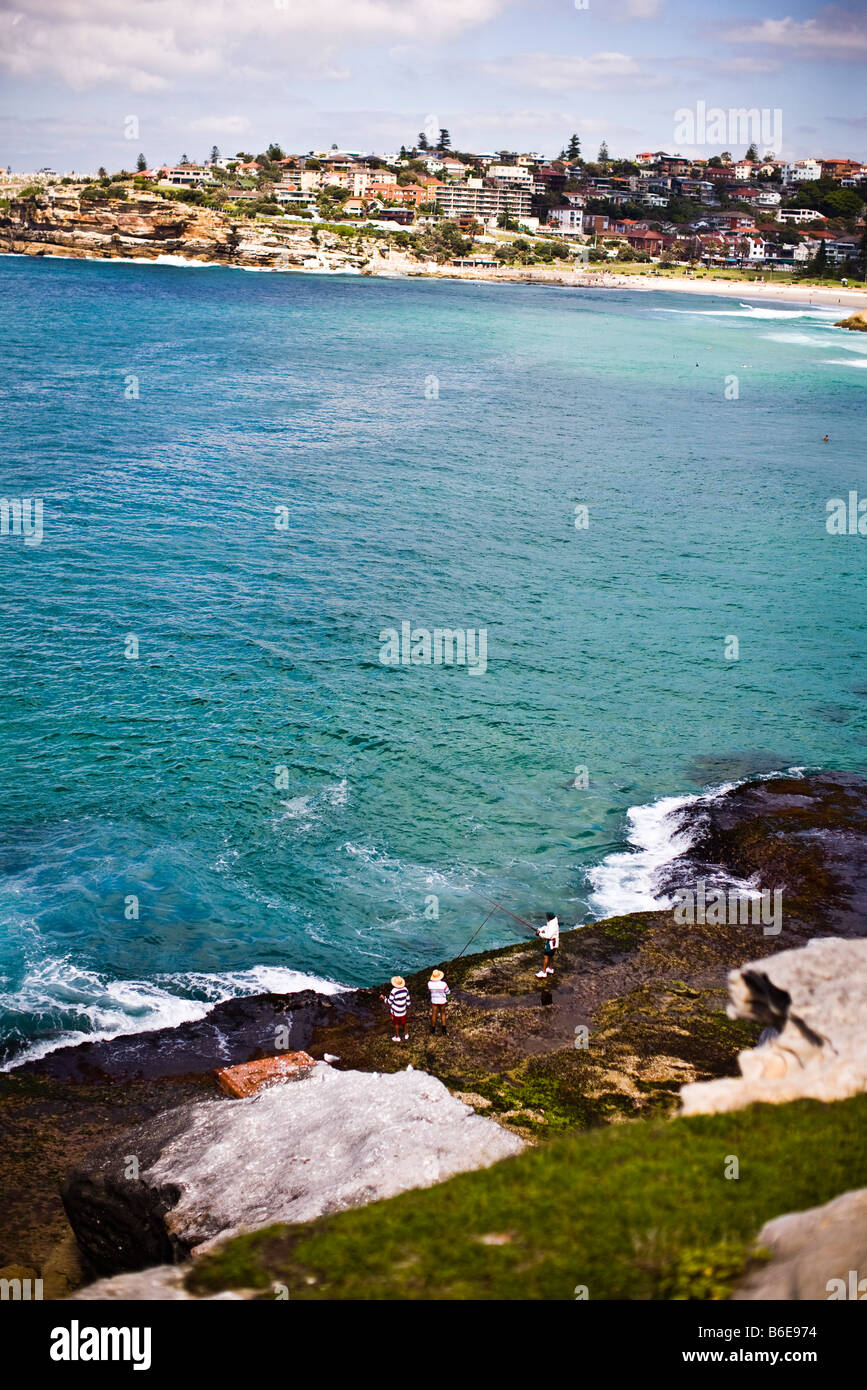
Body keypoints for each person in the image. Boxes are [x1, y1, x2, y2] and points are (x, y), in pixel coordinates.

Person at [381, 976, 411, 1042]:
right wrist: (407, 1008)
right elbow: (408, 1001)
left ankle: (397, 1037)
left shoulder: (394, 991)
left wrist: (384, 998)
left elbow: (389, 1002)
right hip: (403, 1010)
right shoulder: (405, 989)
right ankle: (406, 1034)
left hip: (396, 1011)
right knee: (404, 1023)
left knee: (396, 1024)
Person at [535, 913, 559, 977]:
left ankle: (544, 972)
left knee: (546, 957)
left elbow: (548, 936)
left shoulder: (552, 926)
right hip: (554, 943)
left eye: (546, 917)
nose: (546, 918)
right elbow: (546, 928)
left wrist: (539, 934)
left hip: (550, 944)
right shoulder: (553, 922)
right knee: (551, 956)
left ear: (549, 918)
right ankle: (550, 969)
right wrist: (540, 930)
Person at [427, 969, 450, 1035]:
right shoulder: (444, 984)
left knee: (434, 1014)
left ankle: (433, 1029)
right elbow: (448, 992)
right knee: (443, 1014)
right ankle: (444, 1029)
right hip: (442, 1001)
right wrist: (447, 998)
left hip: (434, 1001)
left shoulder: (429, 984)